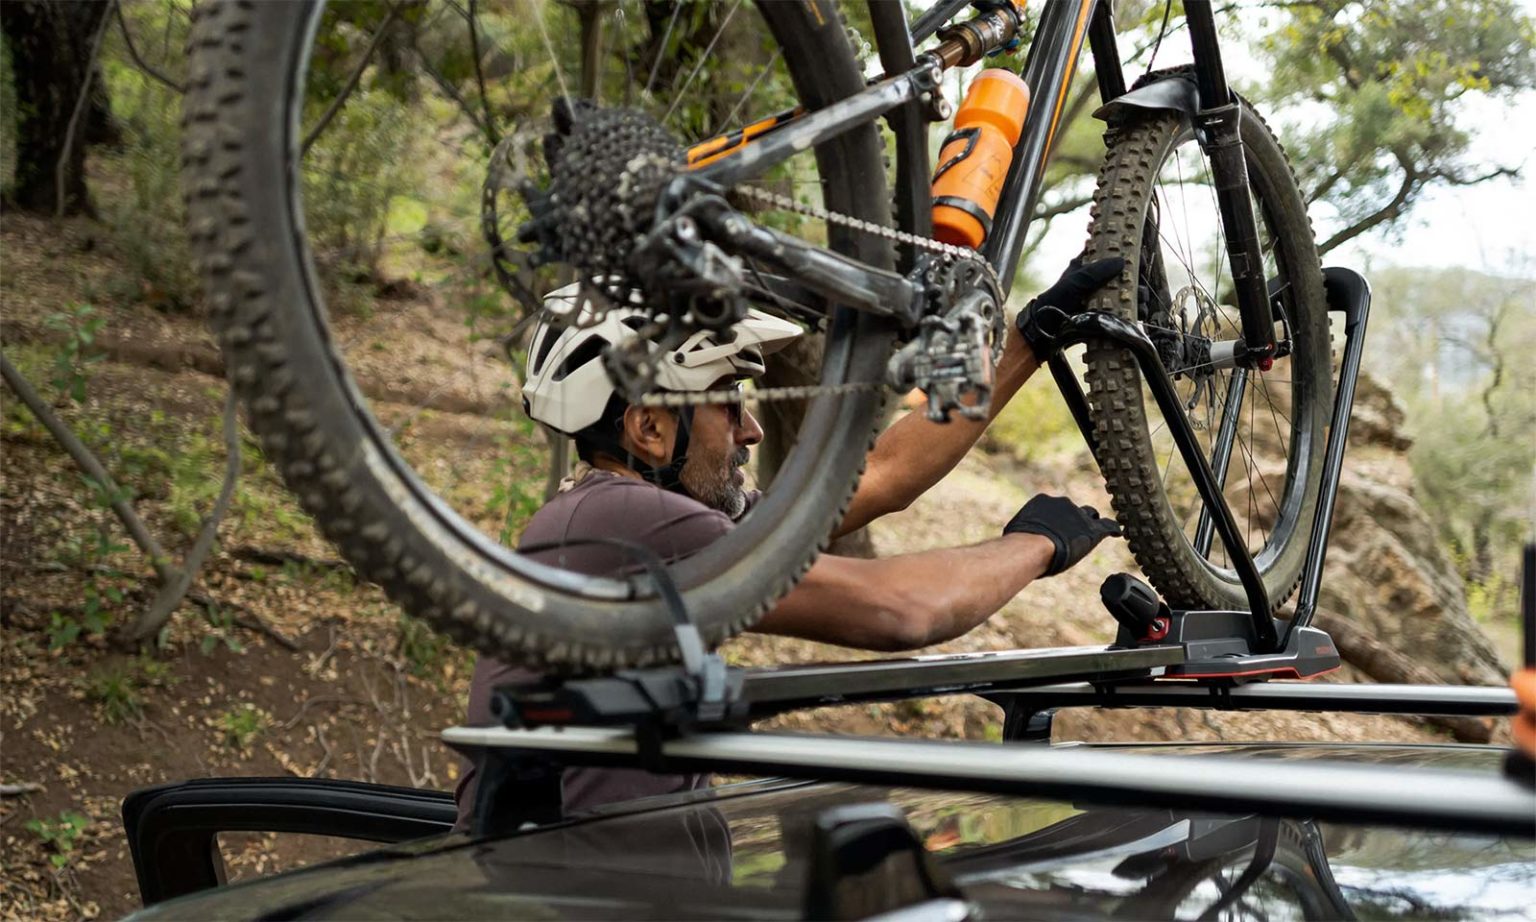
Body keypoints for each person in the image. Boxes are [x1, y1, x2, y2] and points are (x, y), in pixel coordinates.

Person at [456, 258, 1125, 827]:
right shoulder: (630, 521)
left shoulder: (622, 519)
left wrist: (1029, 338)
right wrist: (1037, 544)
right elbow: (900, 609)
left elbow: (883, 477)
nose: (750, 430)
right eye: (725, 399)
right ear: (651, 429)